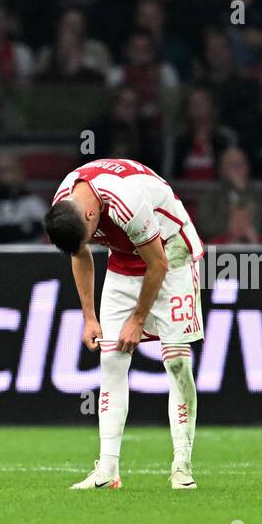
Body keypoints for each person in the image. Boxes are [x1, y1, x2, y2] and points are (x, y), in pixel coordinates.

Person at [44, 158, 205, 491]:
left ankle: (182, 466)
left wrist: (138, 320)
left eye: (88, 235)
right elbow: (80, 252)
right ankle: (107, 471)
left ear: (91, 216)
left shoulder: (125, 201)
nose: (87, 241)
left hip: (170, 254)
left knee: (175, 360)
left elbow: (157, 263)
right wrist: (89, 316)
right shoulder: (66, 203)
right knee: (111, 359)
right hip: (124, 260)